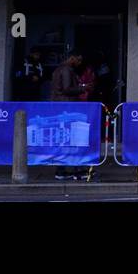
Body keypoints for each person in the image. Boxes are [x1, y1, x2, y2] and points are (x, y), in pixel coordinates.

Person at [51, 50, 88, 180]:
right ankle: (76, 170)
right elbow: (67, 89)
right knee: (72, 138)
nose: (79, 63)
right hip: (67, 107)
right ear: (72, 58)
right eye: (78, 60)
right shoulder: (67, 70)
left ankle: (61, 170)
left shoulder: (58, 69)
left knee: (63, 140)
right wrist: (83, 88)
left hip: (60, 107)